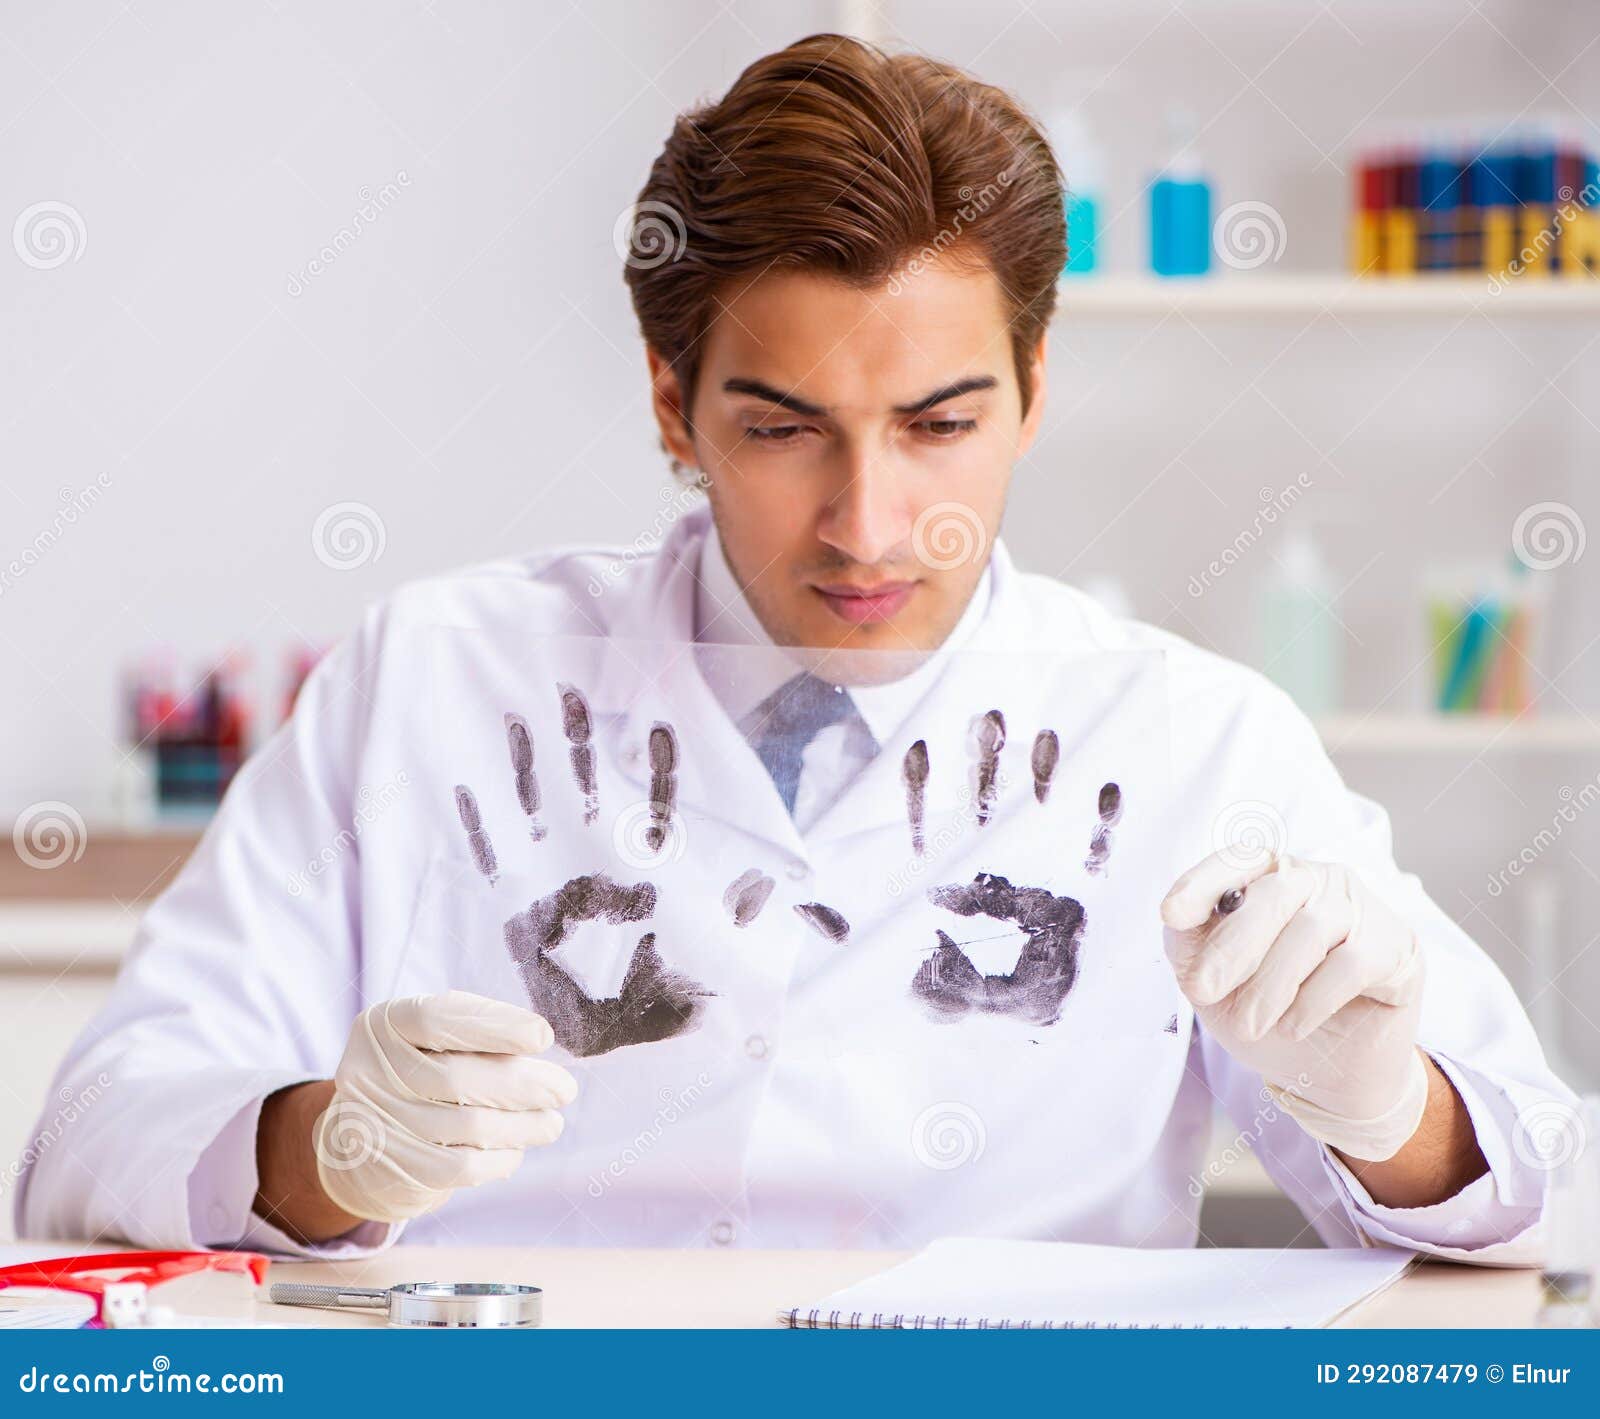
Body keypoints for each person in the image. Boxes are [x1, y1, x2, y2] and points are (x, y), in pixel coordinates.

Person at [18, 34, 1573, 1263]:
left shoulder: (1190, 741)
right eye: (781, 430)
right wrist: (316, 1148)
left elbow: (1555, 1188)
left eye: (942, 424)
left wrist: (1395, 1114)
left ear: (1036, 389)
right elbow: (88, 1136)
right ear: (666, 401)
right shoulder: (430, 678)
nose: (870, 525)